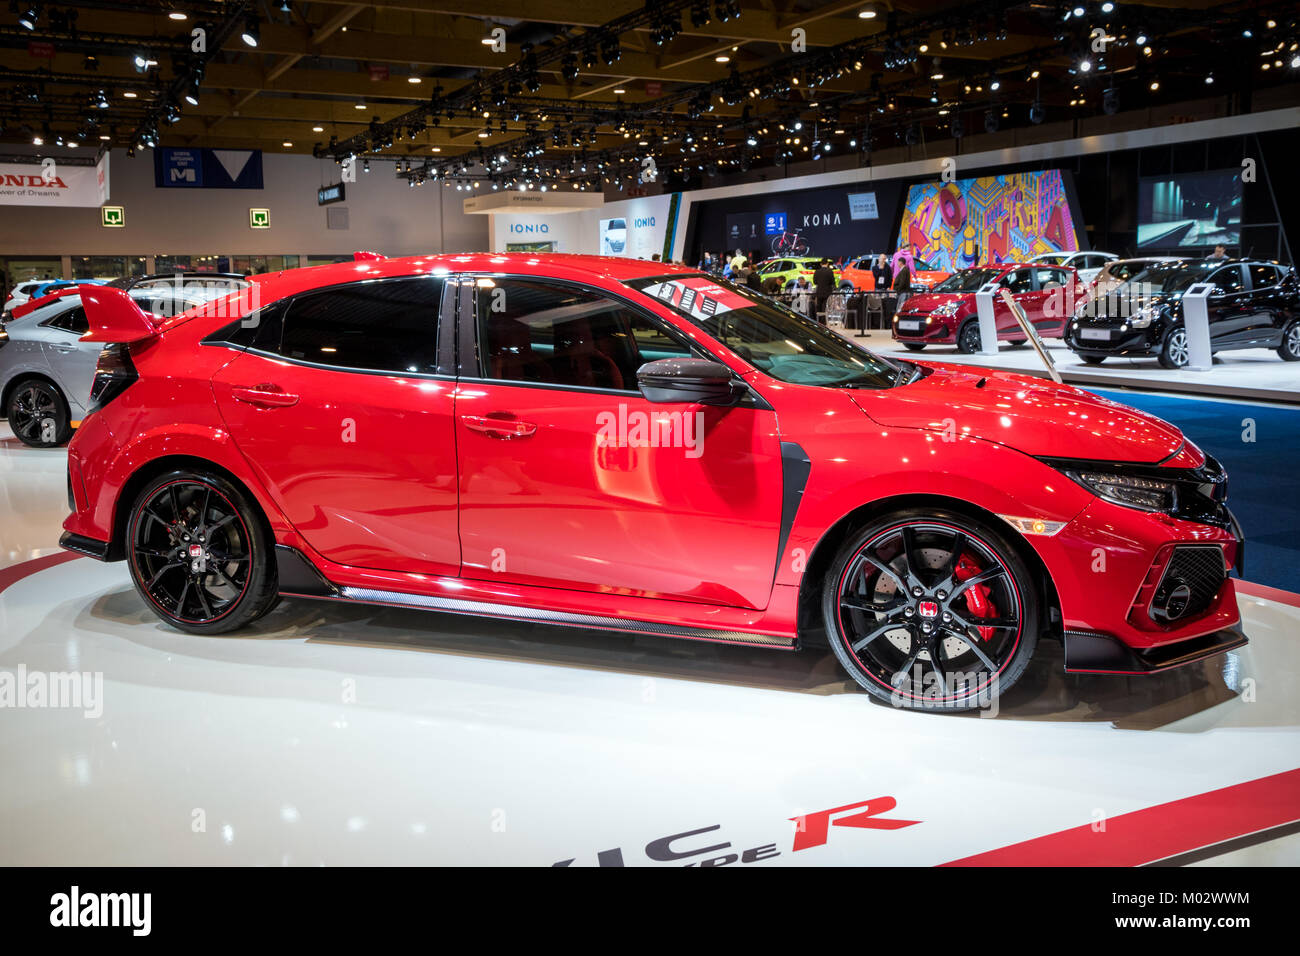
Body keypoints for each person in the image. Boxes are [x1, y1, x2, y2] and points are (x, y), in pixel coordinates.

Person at [812, 258, 836, 324]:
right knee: (825, 307)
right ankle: (824, 322)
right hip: (827, 292)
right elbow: (832, 282)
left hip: (819, 291)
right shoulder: (830, 271)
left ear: (820, 264)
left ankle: (818, 322)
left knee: (819, 307)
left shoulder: (817, 271)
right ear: (827, 263)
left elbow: (815, 282)